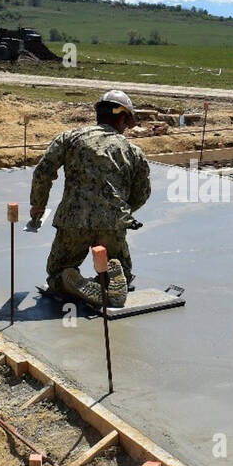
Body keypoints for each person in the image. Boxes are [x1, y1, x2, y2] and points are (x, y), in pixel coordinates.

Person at [29, 90, 151, 308]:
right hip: (112, 225)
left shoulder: (70, 138)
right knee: (121, 272)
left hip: (73, 222)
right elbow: (142, 192)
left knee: (57, 273)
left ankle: (69, 282)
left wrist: (39, 205)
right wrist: (122, 211)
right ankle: (107, 283)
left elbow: (43, 172)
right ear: (122, 118)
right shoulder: (132, 151)